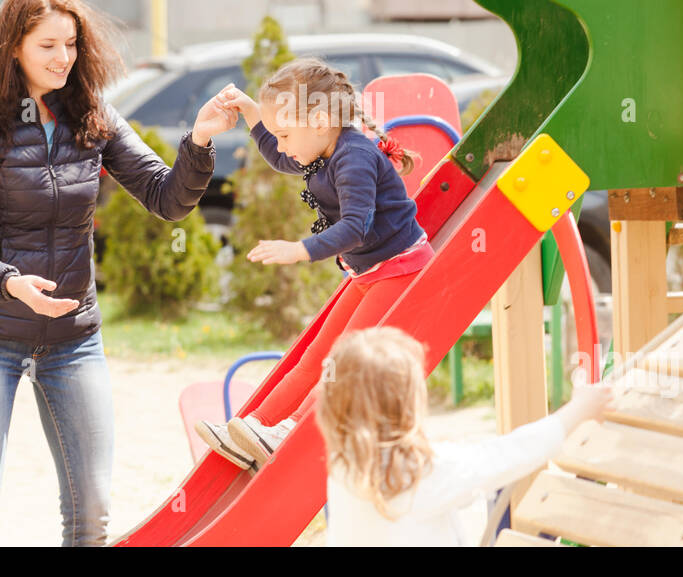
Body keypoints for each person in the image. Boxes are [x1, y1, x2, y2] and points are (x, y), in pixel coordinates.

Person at [0, 0, 236, 546]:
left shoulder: (93, 118)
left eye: (70, 44)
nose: (63, 57)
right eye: (47, 45)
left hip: (73, 339)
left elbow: (167, 199)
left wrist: (199, 141)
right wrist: (10, 283)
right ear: (12, 48)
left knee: (91, 511)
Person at [194, 57, 433, 470]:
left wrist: (300, 249)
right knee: (312, 360)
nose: (282, 145)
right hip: (368, 272)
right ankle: (252, 428)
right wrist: (253, 114)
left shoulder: (353, 157)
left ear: (320, 121)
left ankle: (291, 431)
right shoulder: (322, 147)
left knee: (342, 364)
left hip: (399, 269)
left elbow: (357, 226)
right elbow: (282, 157)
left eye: (285, 133)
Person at [316, 326, 614, 546]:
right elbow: (506, 456)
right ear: (407, 404)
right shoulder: (418, 475)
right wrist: (579, 410)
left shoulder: (346, 463)